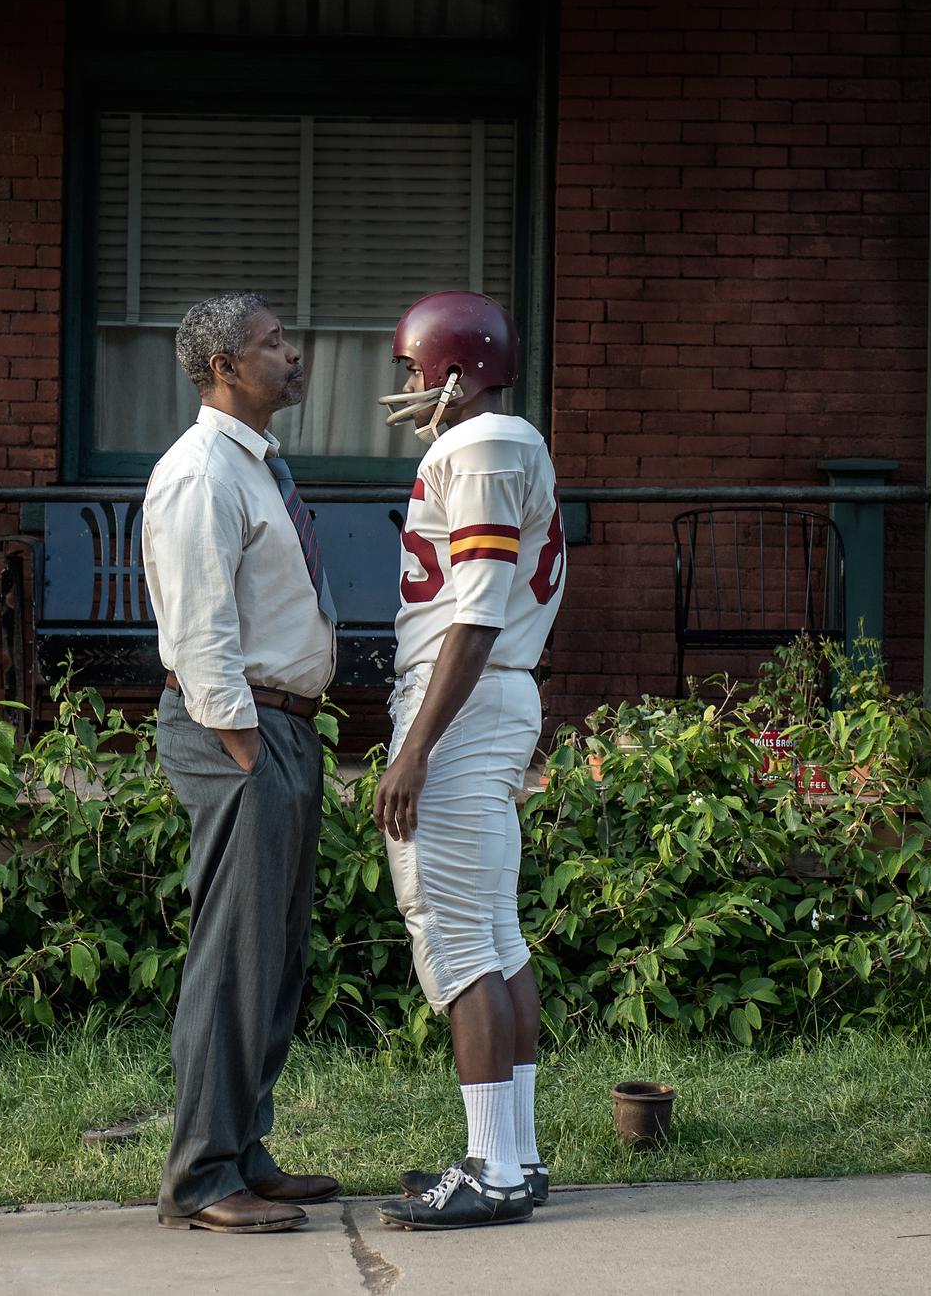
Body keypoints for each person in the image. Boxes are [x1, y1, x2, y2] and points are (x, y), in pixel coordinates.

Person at [141, 291, 343, 1234]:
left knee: (273, 957)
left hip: (278, 727)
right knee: (233, 959)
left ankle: (243, 1150)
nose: (292, 354)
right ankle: (202, 1176)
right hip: (238, 731)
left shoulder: (254, 466)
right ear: (224, 367)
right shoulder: (199, 473)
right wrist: (244, 742)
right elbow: (198, 623)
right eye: (273, 343)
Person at [369, 290, 564, 1230]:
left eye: (417, 366)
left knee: (454, 937)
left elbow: (476, 615)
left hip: (463, 702)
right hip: (491, 699)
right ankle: (515, 1157)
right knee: (495, 933)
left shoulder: (481, 445)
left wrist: (415, 749)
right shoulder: (503, 442)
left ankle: (492, 1170)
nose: (410, 383)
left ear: (456, 367)